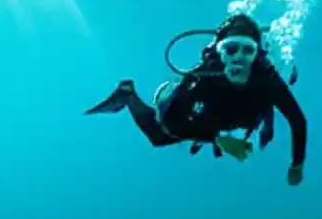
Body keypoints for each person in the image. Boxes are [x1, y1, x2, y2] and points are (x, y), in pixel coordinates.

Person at [85, 13, 307, 185]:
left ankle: (209, 138)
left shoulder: (267, 78)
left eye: (247, 50)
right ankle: (127, 94)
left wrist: (297, 164)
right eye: (231, 49)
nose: (238, 58)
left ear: (257, 53)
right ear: (220, 52)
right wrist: (218, 140)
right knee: (159, 138)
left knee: (253, 118)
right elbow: (171, 121)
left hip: (236, 115)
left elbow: (298, 121)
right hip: (201, 114)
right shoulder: (206, 76)